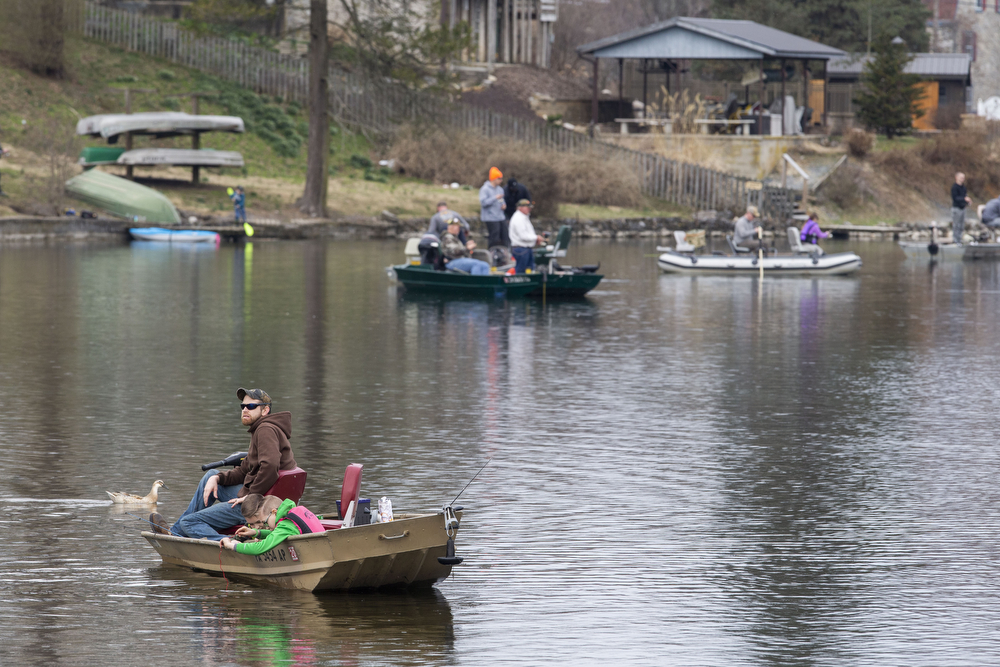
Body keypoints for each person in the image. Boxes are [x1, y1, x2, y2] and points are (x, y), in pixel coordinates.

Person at [150, 387, 297, 541]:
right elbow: (243, 470)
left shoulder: (265, 430)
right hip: (263, 498)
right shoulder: (264, 429)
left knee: (190, 522)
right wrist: (218, 478)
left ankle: (230, 542)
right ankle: (175, 532)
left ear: (265, 410)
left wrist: (249, 496)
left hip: (259, 506)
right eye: (243, 406)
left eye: (251, 406)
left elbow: (270, 466)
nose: (245, 409)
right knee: (211, 475)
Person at [219, 494, 324, 554]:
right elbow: (276, 533)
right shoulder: (295, 512)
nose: (266, 525)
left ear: (274, 512)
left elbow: (260, 548)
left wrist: (234, 546)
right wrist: (256, 532)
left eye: (265, 521)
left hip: (318, 553)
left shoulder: (286, 524)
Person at [508, 199, 545, 274]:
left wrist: (535, 239)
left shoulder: (524, 217)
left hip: (526, 249)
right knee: (521, 273)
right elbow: (523, 236)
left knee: (530, 272)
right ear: (519, 208)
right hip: (521, 250)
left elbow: (528, 233)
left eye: (529, 207)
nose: (529, 209)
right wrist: (536, 238)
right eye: (527, 207)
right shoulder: (518, 218)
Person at [479, 167, 508, 249]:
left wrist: (504, 205)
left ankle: (504, 254)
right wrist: (495, 198)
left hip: (500, 217)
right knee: (494, 238)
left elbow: (502, 200)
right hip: (490, 218)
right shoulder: (485, 189)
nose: (501, 180)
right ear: (494, 179)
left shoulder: (500, 189)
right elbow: (483, 203)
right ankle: (491, 253)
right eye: (499, 178)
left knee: (505, 236)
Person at [951, 172, 971, 245]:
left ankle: (959, 239)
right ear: (956, 177)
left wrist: (967, 201)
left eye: (963, 178)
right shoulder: (954, 187)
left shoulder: (963, 187)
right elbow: (955, 198)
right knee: (956, 225)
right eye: (961, 177)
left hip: (963, 208)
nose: (962, 179)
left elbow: (965, 196)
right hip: (956, 208)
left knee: (961, 225)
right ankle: (955, 240)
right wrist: (964, 199)